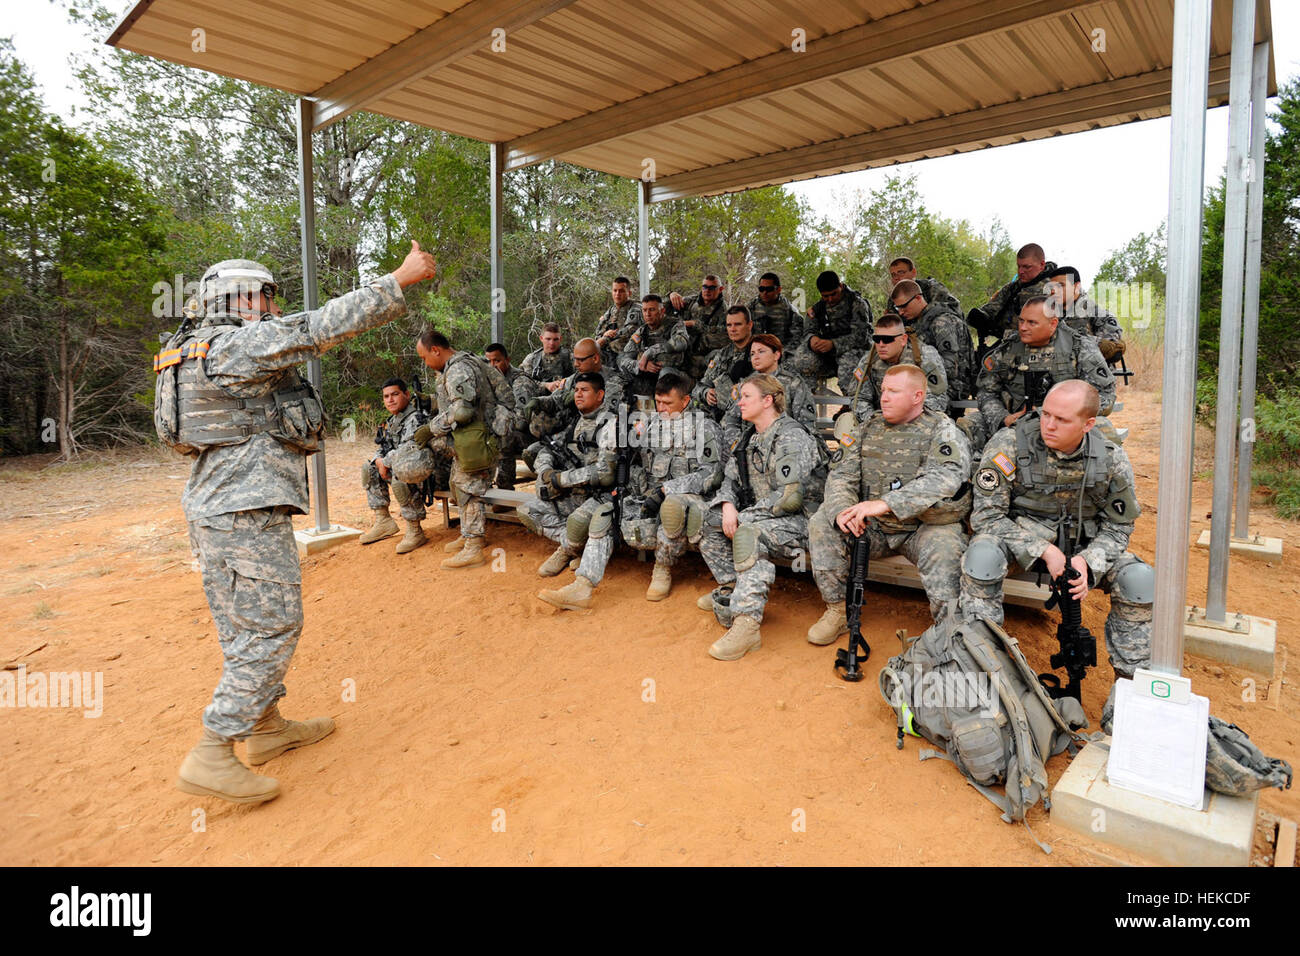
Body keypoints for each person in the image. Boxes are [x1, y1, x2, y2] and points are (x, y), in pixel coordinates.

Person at [169, 242, 437, 805]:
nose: (271, 305)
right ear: (239, 298)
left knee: (242, 626)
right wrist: (398, 280)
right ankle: (214, 749)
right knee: (272, 626)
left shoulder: (193, 350)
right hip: (245, 510)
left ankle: (265, 728)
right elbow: (317, 327)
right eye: (264, 295)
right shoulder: (239, 344)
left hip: (213, 507)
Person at [958, 380, 1153, 728]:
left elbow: (1119, 526)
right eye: (1045, 414)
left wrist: (1089, 563)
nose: (1048, 424)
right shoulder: (1009, 444)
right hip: (1023, 540)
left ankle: (1131, 697)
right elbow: (986, 516)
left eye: (1061, 420)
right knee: (981, 558)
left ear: (1088, 424)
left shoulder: (1110, 456)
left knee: (1139, 580)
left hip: (1085, 545)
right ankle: (985, 674)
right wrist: (1041, 549)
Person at [807, 364, 970, 644]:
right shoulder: (868, 426)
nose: (884, 397)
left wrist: (885, 503)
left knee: (945, 547)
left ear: (917, 396)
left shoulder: (942, 429)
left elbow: (946, 478)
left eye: (893, 392)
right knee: (822, 521)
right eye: (883, 390)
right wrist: (844, 512)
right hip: (875, 529)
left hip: (922, 528)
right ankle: (837, 609)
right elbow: (841, 475)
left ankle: (949, 632)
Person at [696, 374, 828, 661]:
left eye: (746, 397)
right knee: (709, 519)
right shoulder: (751, 436)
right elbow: (730, 479)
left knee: (748, 533)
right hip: (763, 517)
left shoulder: (791, 437)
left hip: (803, 521)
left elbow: (789, 497)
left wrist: (744, 517)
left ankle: (747, 625)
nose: (739, 402)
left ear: (768, 401)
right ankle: (732, 587)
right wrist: (729, 505)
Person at [517, 372, 620, 609]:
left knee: (578, 521)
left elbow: (605, 473)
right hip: (573, 495)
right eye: (576, 390)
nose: (578, 394)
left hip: (601, 496)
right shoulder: (575, 421)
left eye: (584, 390)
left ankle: (574, 568)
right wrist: (545, 472)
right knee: (527, 511)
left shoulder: (610, 425)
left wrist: (562, 479)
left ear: (600, 395)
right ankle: (573, 545)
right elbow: (548, 448)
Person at [621, 371, 724, 601]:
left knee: (671, 506)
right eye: (658, 402)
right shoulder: (651, 424)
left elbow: (712, 474)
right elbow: (638, 460)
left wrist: (669, 489)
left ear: (685, 401)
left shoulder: (703, 428)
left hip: (690, 497)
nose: (661, 408)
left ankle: (662, 567)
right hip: (651, 493)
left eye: (668, 403)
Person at [413, 328, 511, 568]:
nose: (425, 364)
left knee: (469, 488)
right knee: (459, 483)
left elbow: (462, 411)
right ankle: (469, 535)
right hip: (473, 436)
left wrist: (432, 428)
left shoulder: (458, 369)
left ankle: (474, 547)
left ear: (436, 350)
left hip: (479, 438)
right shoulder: (465, 361)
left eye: (425, 357)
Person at [973, 295, 1116, 453]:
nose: (1023, 328)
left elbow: (1105, 395)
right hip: (1015, 422)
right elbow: (986, 391)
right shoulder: (1007, 349)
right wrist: (1002, 417)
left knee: (1104, 429)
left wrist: (1063, 416)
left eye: (1032, 322)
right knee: (967, 426)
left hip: (1066, 425)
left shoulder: (1080, 348)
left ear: (1053, 323)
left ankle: (1098, 475)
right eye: (1021, 321)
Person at [359, 377, 431, 552]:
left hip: (425, 471)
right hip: (400, 464)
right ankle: (383, 520)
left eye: (395, 394)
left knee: (400, 476)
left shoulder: (416, 418)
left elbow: (408, 449)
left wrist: (386, 462)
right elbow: (384, 446)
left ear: (406, 394)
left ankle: (415, 530)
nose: (390, 400)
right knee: (369, 468)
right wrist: (378, 461)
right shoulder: (393, 420)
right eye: (386, 396)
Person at [719, 332, 816, 448]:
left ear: (776, 355)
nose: (756, 357)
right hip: (749, 447)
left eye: (761, 351)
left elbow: (807, 426)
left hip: (784, 445)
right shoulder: (746, 385)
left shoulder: (794, 385)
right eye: (752, 354)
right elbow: (730, 420)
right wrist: (739, 446)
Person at [889, 278, 975, 406]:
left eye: (904, 306)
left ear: (918, 298)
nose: (901, 312)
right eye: (898, 308)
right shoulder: (919, 320)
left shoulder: (942, 322)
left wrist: (914, 373)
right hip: (930, 380)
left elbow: (951, 368)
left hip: (951, 386)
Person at [847, 313, 948, 421]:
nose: (881, 344)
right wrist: (874, 421)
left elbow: (938, 401)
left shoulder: (925, 356)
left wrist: (904, 419)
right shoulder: (869, 360)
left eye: (887, 339)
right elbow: (858, 398)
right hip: (880, 421)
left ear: (903, 339)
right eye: (876, 339)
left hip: (917, 422)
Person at [965, 242, 1057, 359]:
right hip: (1008, 346)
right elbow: (993, 307)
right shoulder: (1013, 288)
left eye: (1027, 267)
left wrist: (1004, 333)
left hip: (1039, 352)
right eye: (1019, 266)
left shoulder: (1054, 290)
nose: (1021, 271)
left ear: (1042, 265)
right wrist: (982, 318)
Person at [522, 337, 624, 440]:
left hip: (598, 428)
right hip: (573, 423)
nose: (576, 364)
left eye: (581, 360)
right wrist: (539, 401)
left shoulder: (613, 380)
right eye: (575, 359)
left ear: (595, 359)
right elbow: (556, 398)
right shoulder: (575, 378)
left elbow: (611, 412)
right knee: (538, 421)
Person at [791, 269, 874, 386]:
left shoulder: (857, 304)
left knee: (848, 364)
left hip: (854, 352)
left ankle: (852, 401)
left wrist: (833, 344)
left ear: (840, 286)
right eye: (825, 296)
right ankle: (807, 397)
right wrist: (812, 340)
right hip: (827, 356)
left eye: (833, 294)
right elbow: (808, 330)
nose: (830, 299)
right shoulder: (818, 308)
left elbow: (861, 337)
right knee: (802, 358)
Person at [619, 293, 692, 399]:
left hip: (677, 375)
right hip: (650, 376)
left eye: (652, 310)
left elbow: (681, 342)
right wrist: (640, 365)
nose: (648, 314)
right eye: (644, 310)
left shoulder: (675, 324)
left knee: (665, 374)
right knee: (622, 377)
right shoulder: (642, 331)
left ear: (662, 311)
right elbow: (624, 359)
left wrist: (650, 352)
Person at [1045, 266, 1125, 361]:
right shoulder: (1046, 313)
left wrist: (1074, 341)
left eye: (1061, 285)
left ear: (1076, 286)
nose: (1054, 290)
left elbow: (1112, 348)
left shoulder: (1098, 314)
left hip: (1090, 373)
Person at [691, 304, 755, 420]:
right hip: (720, 413)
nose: (732, 329)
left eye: (738, 324)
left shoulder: (759, 351)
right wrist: (706, 393)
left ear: (749, 325)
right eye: (729, 325)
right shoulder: (723, 354)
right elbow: (699, 387)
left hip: (748, 414)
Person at [485, 342, 531, 490]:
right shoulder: (489, 381)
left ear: (507, 360)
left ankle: (505, 487)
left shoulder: (520, 381)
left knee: (505, 434)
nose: (493, 366)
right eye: (489, 362)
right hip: (502, 427)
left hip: (527, 433)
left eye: (497, 361)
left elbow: (522, 420)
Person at [669, 274, 729, 379]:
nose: (707, 290)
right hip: (683, 350)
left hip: (705, 356)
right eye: (705, 287)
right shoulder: (691, 301)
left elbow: (723, 336)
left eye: (712, 288)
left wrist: (695, 324)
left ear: (720, 289)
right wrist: (671, 294)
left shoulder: (724, 311)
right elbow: (659, 306)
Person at [594, 276, 642, 367]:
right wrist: (602, 337)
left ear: (629, 293)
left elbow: (630, 329)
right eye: (615, 290)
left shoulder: (636, 307)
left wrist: (606, 338)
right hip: (608, 352)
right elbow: (598, 332)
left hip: (627, 351)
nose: (617, 294)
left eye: (621, 291)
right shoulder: (611, 310)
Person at [887, 256, 961, 315]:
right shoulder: (894, 300)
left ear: (913, 272)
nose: (897, 278)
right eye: (893, 275)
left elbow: (953, 308)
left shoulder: (932, 288)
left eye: (901, 272)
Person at [747, 272, 803, 346]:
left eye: (769, 289)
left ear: (778, 289)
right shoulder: (751, 307)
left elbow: (797, 336)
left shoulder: (788, 309)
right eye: (761, 289)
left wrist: (785, 352)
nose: (764, 292)